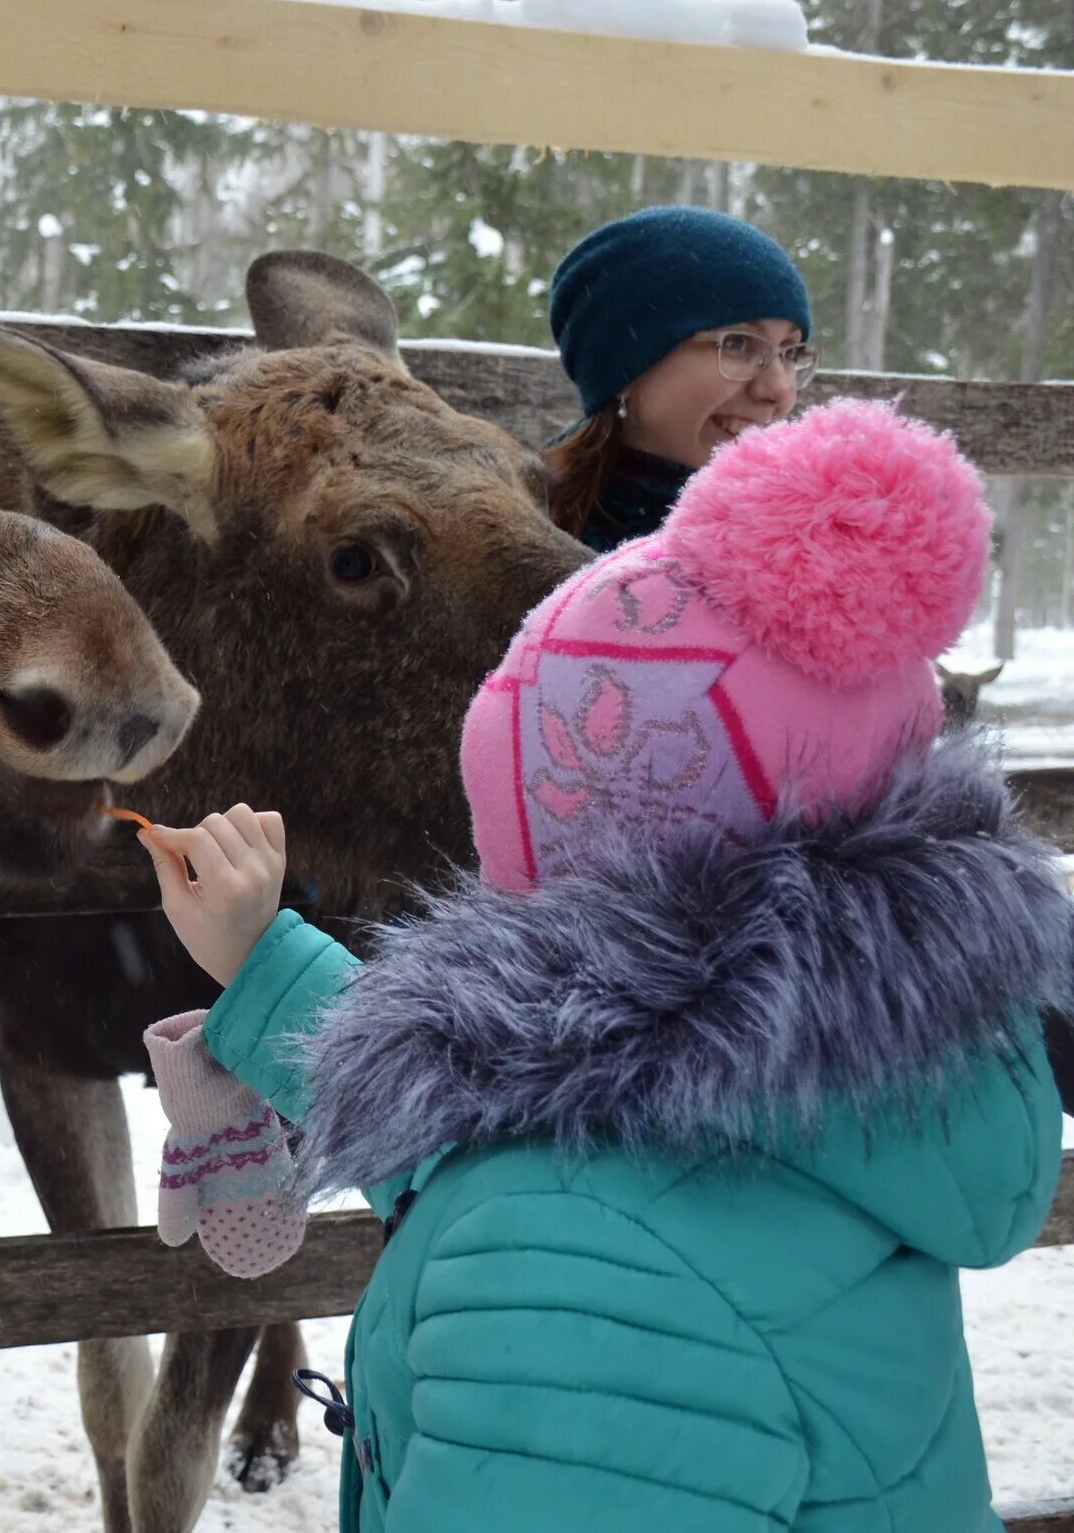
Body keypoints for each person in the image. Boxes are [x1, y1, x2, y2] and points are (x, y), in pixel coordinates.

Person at [138, 398, 1068, 1530]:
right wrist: (269, 966)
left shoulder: (562, 1266)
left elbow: (541, 1189)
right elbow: (501, 1128)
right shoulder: (858, 1096)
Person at [545, 205, 817, 550]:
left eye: (790, 352)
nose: (779, 389)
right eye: (737, 343)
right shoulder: (520, 545)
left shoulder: (815, 546)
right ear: (628, 368)